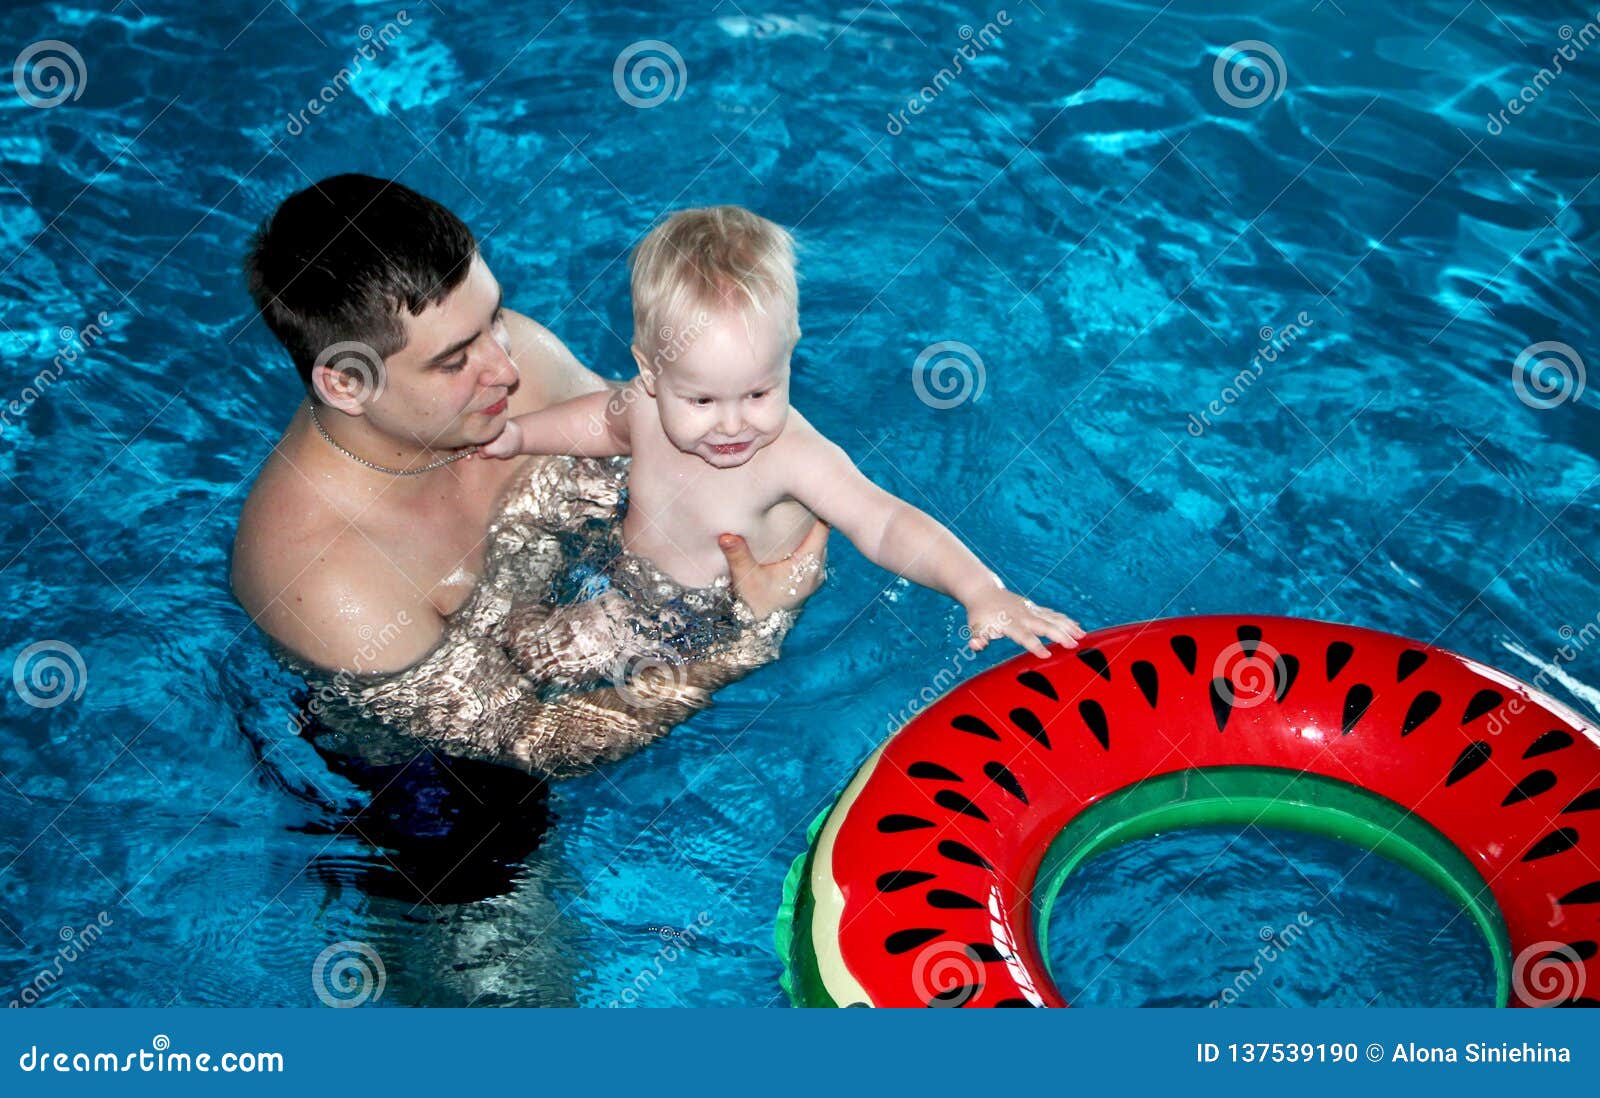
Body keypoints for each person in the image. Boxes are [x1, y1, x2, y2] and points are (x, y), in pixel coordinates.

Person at [230, 175, 829, 780]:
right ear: (347, 383)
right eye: (454, 360)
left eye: (493, 318)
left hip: (569, 629)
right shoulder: (328, 578)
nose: (506, 368)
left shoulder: (515, 362)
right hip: (425, 774)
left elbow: (674, 460)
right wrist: (743, 642)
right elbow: (534, 741)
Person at [480, 205, 1084, 678]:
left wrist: (981, 590)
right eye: (702, 401)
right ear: (650, 372)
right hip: (628, 568)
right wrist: (519, 435)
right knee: (503, 608)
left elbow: (884, 522)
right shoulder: (640, 404)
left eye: (759, 393)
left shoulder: (792, 455)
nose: (734, 425)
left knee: (529, 659)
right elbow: (600, 424)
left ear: (789, 357)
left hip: (700, 618)